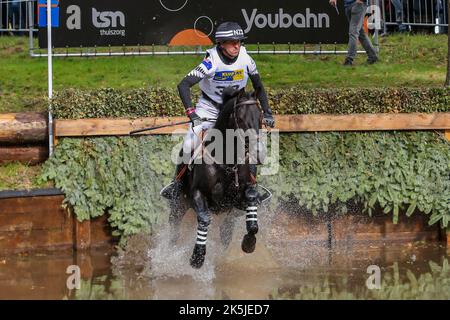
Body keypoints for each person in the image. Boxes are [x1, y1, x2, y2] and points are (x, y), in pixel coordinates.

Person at [166, 21, 275, 194]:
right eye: (232, 42)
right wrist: (192, 114)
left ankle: (252, 186)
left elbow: (258, 86)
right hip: (208, 109)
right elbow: (183, 85)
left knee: (255, 146)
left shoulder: (247, 59)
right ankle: (177, 184)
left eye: (239, 42)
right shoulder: (211, 62)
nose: (236, 46)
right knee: (189, 143)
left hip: (235, 111)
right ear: (221, 44)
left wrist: (268, 112)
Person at [329, 0, 379, 66]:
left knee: (353, 32)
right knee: (360, 32)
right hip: (349, 5)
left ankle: (349, 60)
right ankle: (373, 57)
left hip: (357, 5)